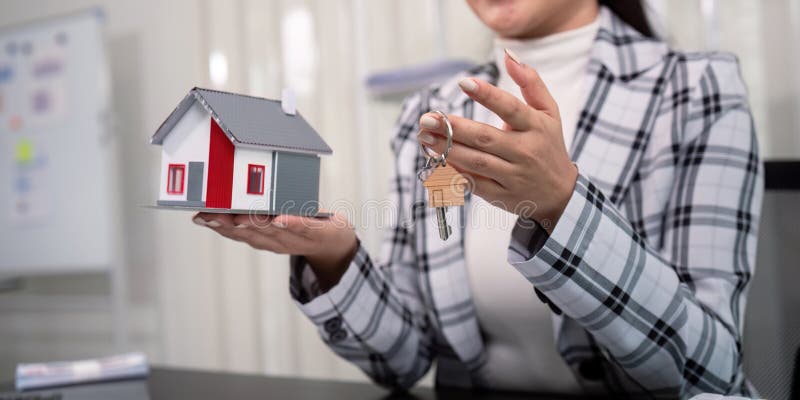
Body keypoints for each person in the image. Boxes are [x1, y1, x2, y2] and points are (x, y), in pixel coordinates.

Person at [193, 0, 763, 397]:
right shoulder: (434, 111)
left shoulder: (696, 92)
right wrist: (336, 258)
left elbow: (708, 370)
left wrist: (562, 207)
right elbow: (404, 359)